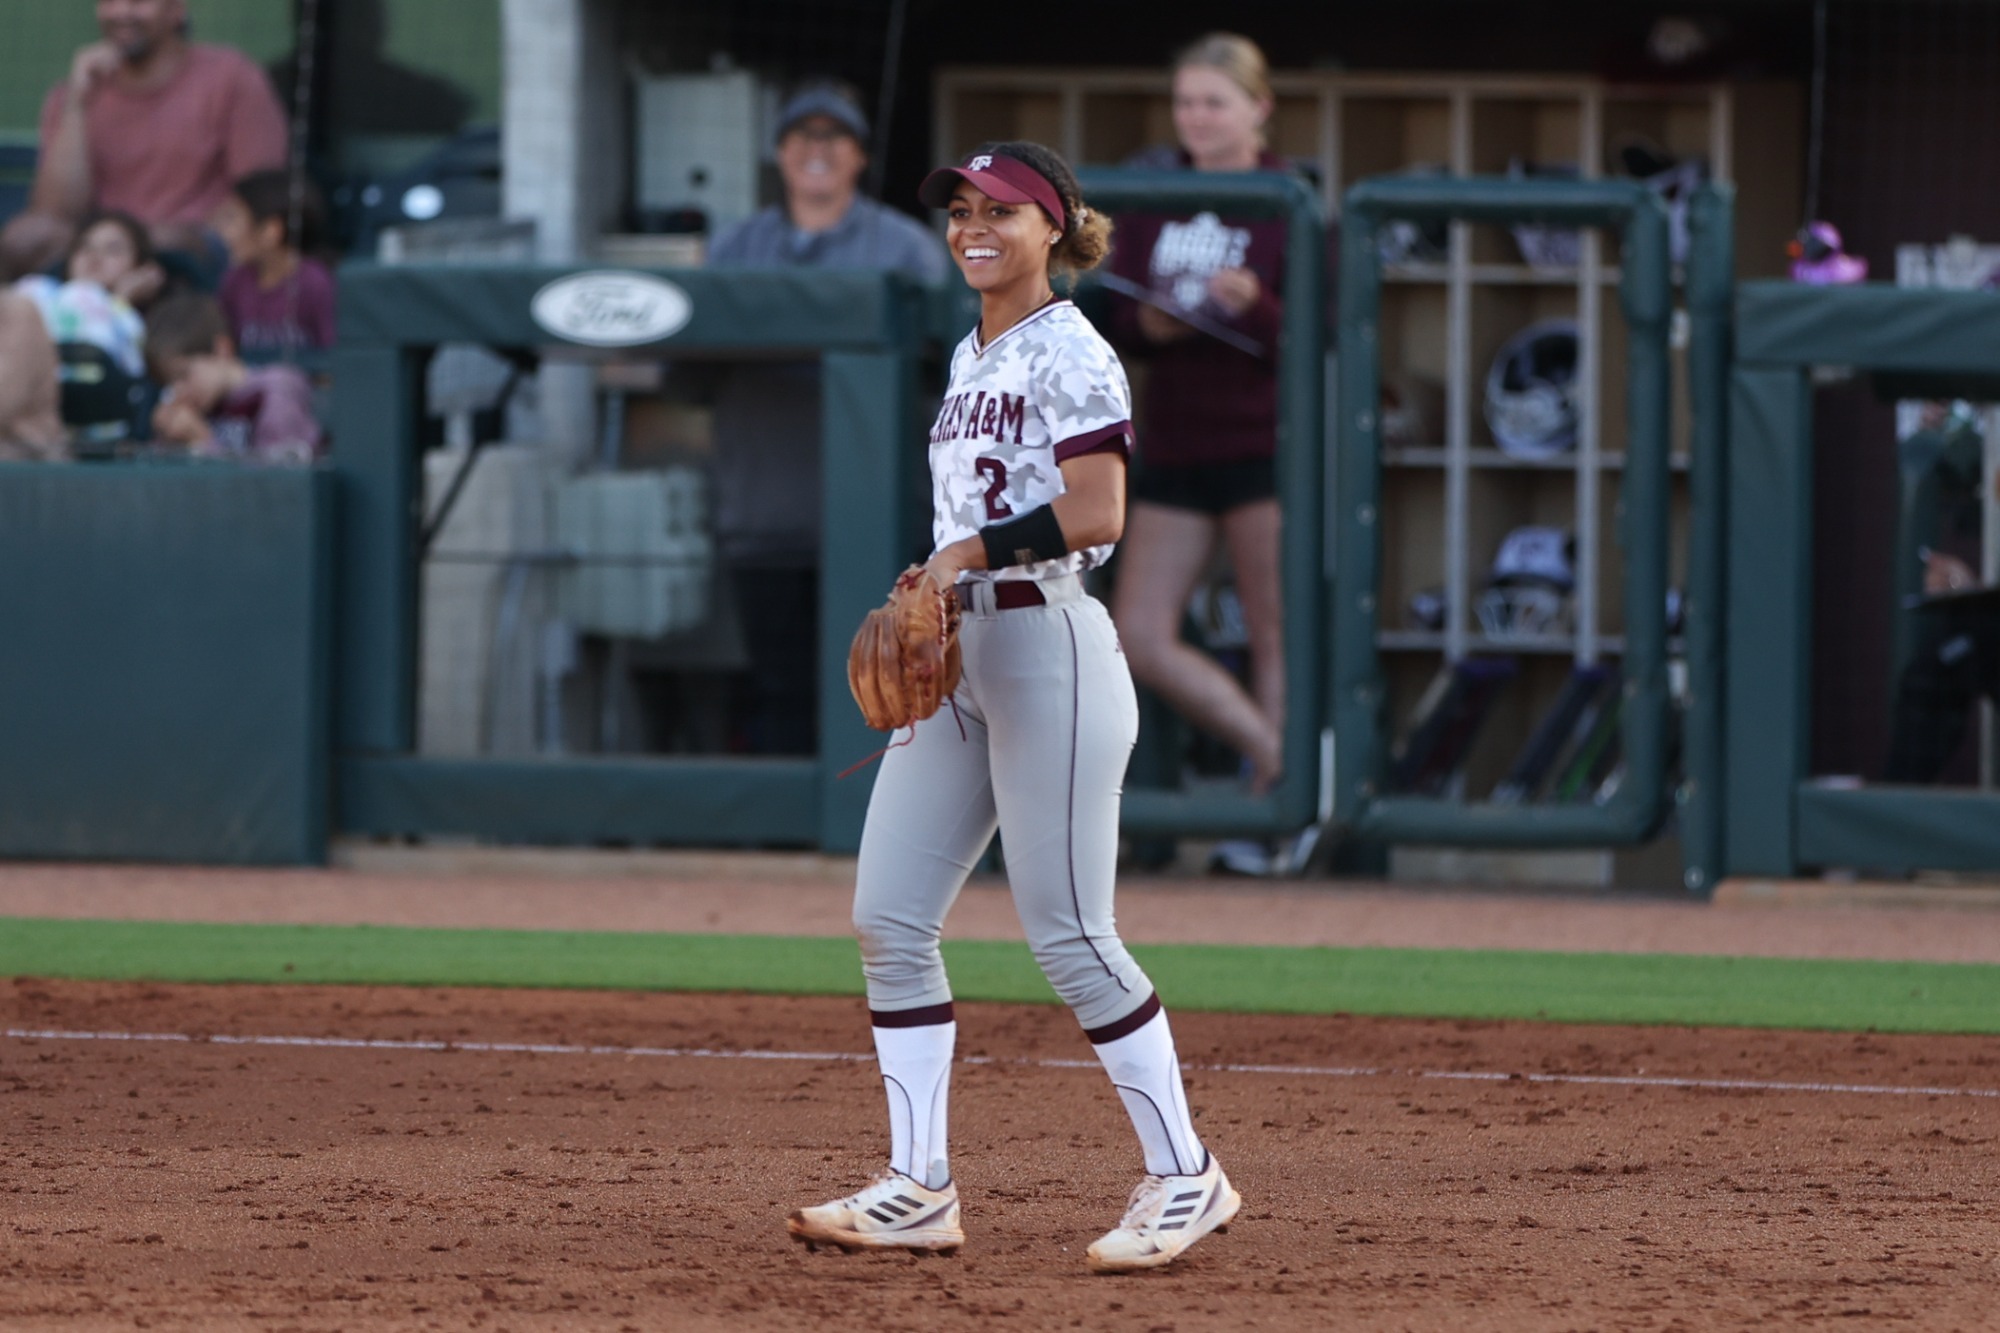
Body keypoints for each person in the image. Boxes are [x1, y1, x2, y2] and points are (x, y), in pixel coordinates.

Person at [786, 142, 1239, 1275]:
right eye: (961, 209)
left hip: (1048, 647)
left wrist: (963, 554)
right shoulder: (968, 349)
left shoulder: (1072, 347)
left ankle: (1186, 1173)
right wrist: (938, 578)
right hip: (966, 653)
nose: (973, 226)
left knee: (1071, 934)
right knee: (889, 920)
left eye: (1002, 210)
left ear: (1056, 228)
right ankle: (916, 1185)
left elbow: (1096, 511)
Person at [701, 82, 949, 754]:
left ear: (858, 156)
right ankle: (784, 854)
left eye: (833, 138)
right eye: (802, 138)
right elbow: (687, 376)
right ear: (779, 153)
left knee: (883, 689)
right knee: (778, 689)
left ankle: (879, 845)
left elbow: (950, 374)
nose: (817, 152)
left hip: (874, 512)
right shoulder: (735, 248)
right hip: (765, 508)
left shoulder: (905, 247)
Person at [1105, 34, 1292, 819]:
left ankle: (1272, 823)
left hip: (1265, 445)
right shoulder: (1151, 199)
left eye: (1214, 102)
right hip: (1176, 442)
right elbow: (1120, 322)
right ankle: (1274, 760)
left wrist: (1256, 305)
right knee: (1137, 633)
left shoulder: (1292, 199)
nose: (1197, 118)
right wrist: (1159, 323)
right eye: (1186, 102)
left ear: (1258, 108)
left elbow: (1319, 336)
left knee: (1274, 634)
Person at [2, 0, 288, 283]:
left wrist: (199, 229)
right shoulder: (74, 93)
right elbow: (55, 212)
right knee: (25, 237)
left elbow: (263, 197)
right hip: (94, 249)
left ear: (176, 9)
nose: (121, 12)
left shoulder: (232, 78)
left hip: (192, 248)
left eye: (138, 2)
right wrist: (76, 106)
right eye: (109, 1)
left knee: (153, 241)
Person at [145, 292, 321, 463]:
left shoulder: (276, 392)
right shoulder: (201, 407)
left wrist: (203, 441)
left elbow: (279, 480)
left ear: (222, 350)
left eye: (183, 374)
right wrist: (167, 438)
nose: (178, 390)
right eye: (168, 383)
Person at [215, 169, 337, 355]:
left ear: (271, 231)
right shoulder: (234, 282)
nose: (224, 232)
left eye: (233, 219)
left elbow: (335, 359)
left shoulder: (315, 284)